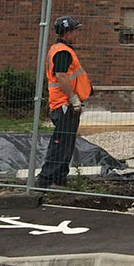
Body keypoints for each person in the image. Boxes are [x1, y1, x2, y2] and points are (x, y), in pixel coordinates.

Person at [37, 15, 92, 188]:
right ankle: (45, 180)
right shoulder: (62, 51)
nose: (78, 34)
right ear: (67, 33)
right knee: (60, 143)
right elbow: (61, 76)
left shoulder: (60, 49)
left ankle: (60, 178)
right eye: (76, 30)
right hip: (64, 104)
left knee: (66, 143)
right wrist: (73, 99)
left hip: (64, 104)